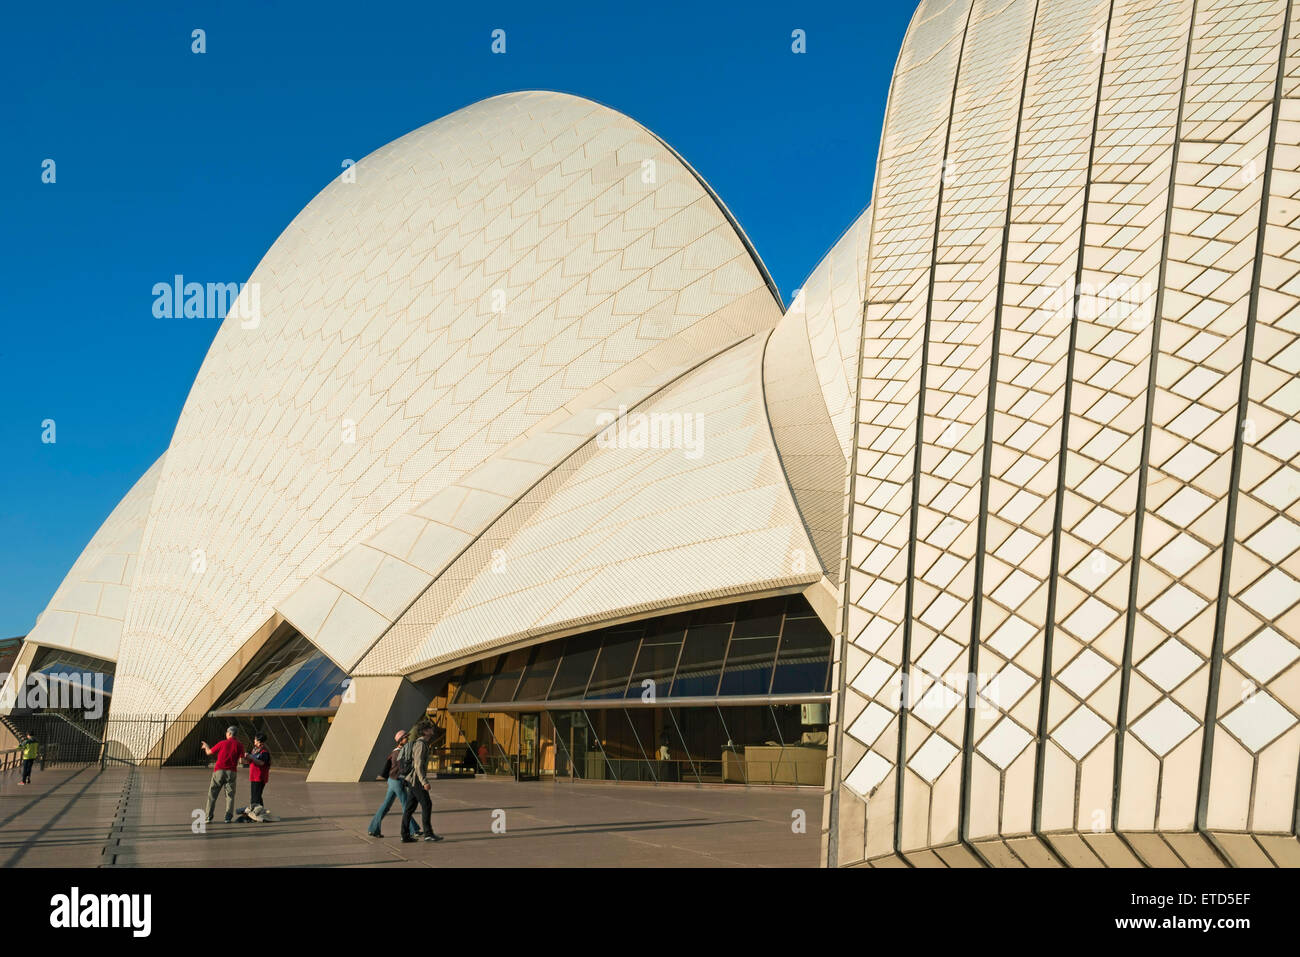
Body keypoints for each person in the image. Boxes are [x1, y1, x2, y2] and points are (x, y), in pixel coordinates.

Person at [368, 729, 420, 839]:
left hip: (393, 781)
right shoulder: (397, 752)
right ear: (400, 740)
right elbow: (401, 769)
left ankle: (373, 829)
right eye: (405, 737)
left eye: (407, 737)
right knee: (406, 805)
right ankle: (413, 830)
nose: (407, 739)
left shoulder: (398, 751)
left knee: (386, 806)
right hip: (396, 781)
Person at [400, 720, 444, 844]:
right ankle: (428, 834)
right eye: (430, 728)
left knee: (409, 808)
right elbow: (418, 765)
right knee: (427, 804)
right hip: (416, 780)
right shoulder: (421, 744)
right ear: (425, 731)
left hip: (413, 780)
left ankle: (405, 835)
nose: (432, 730)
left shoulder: (423, 744)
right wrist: (424, 782)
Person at [200, 726, 245, 823]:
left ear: (229, 734)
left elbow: (209, 752)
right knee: (230, 796)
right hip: (232, 772)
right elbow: (241, 761)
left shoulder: (222, 743)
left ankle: (208, 817)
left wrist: (206, 746)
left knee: (212, 794)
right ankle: (228, 817)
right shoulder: (240, 745)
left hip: (219, 771)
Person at [245, 731, 271, 809]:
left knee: (255, 798)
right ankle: (260, 811)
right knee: (257, 796)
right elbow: (248, 761)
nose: (254, 741)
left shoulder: (264, 752)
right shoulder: (254, 750)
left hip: (259, 777)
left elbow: (261, 763)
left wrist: (251, 757)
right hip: (253, 776)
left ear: (259, 741)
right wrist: (244, 757)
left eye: (255, 739)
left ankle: (256, 812)